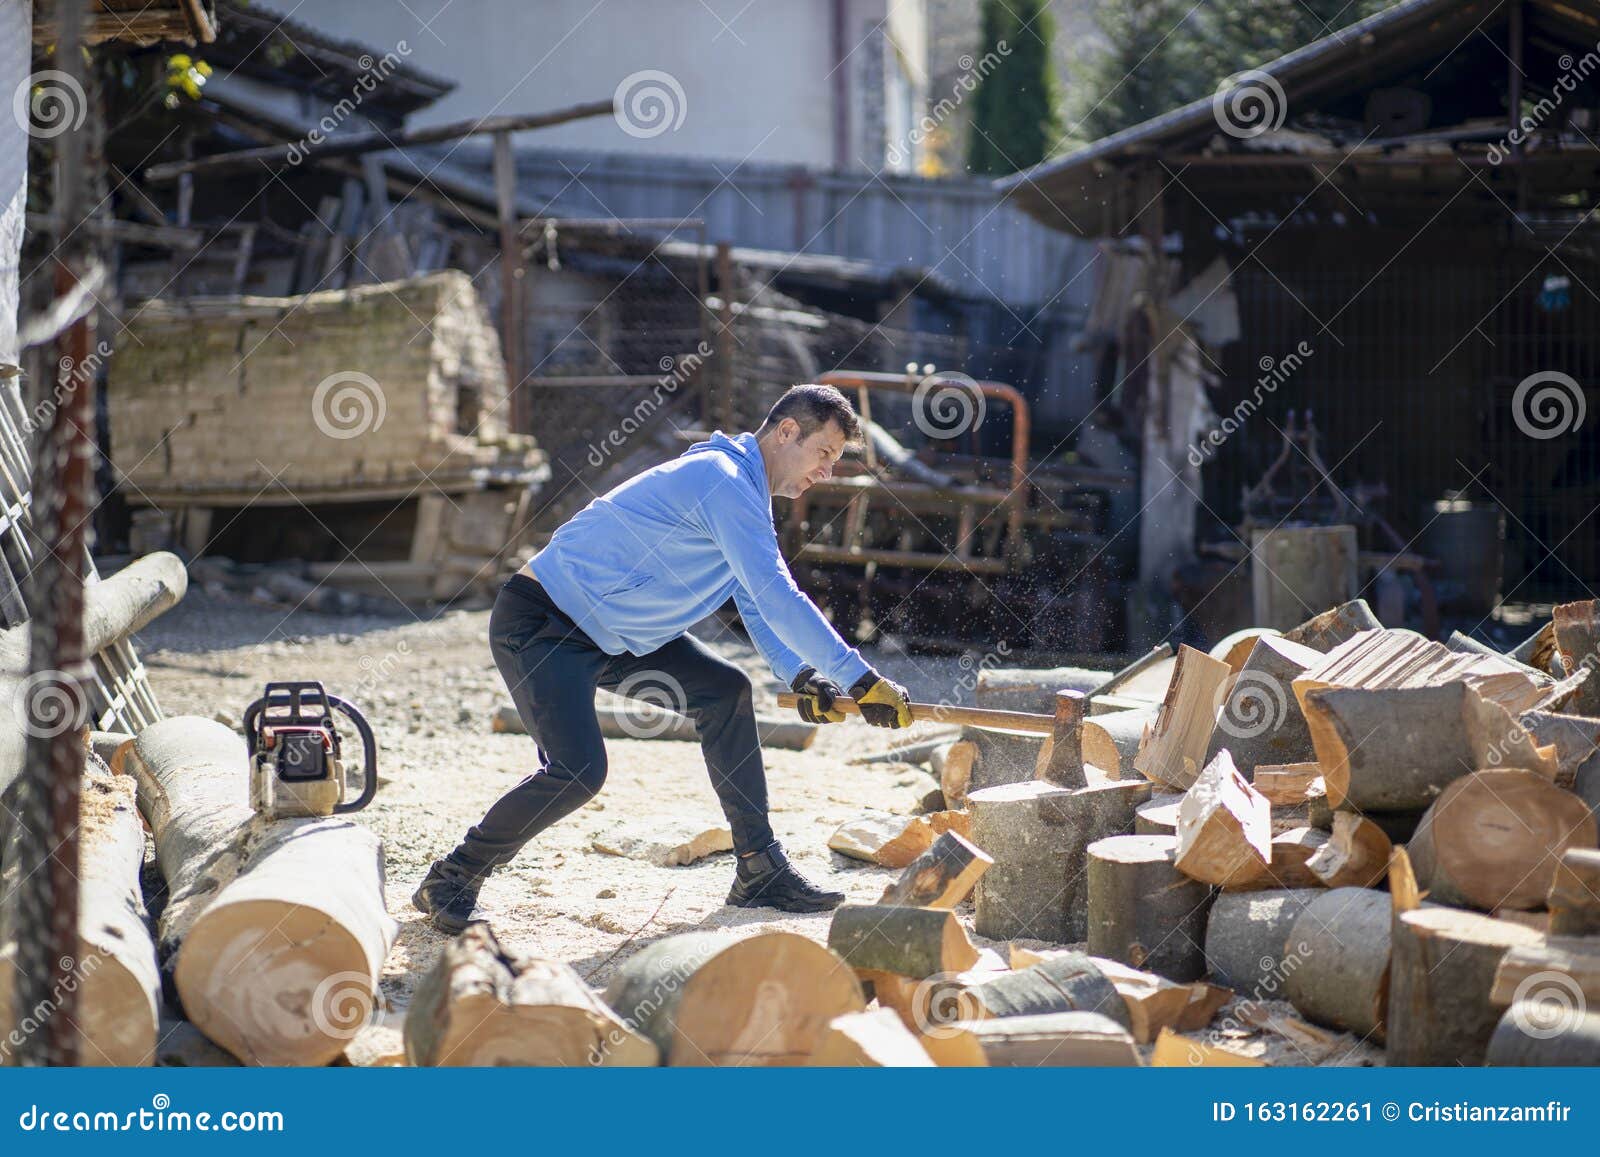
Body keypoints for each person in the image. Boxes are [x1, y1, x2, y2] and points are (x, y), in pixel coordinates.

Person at [413, 383, 913, 933]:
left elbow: (750, 597)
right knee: (578, 771)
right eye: (824, 455)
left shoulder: (745, 493)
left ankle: (759, 868)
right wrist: (859, 678)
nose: (827, 473)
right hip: (543, 625)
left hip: (615, 638)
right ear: (787, 431)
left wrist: (801, 674)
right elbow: (776, 594)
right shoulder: (720, 483)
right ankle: (452, 878)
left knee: (724, 692)